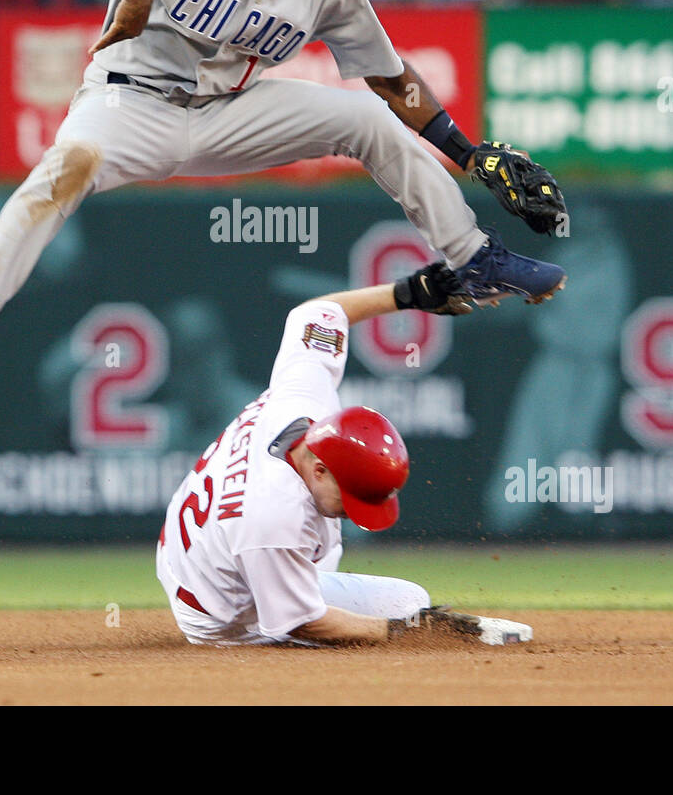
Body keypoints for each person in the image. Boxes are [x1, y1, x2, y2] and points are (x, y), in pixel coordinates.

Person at [0, 0, 565, 381]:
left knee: (366, 119)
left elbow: (391, 80)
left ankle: (472, 258)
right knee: (68, 163)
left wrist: (468, 153)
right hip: (129, 101)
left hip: (230, 109)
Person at [156, 260, 532, 646]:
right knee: (406, 606)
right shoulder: (272, 515)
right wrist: (412, 631)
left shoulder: (305, 394)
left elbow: (318, 313)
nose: (355, 511)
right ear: (319, 469)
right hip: (216, 612)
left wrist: (406, 293)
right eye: (352, 497)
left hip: (192, 548)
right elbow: (303, 622)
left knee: (385, 589)